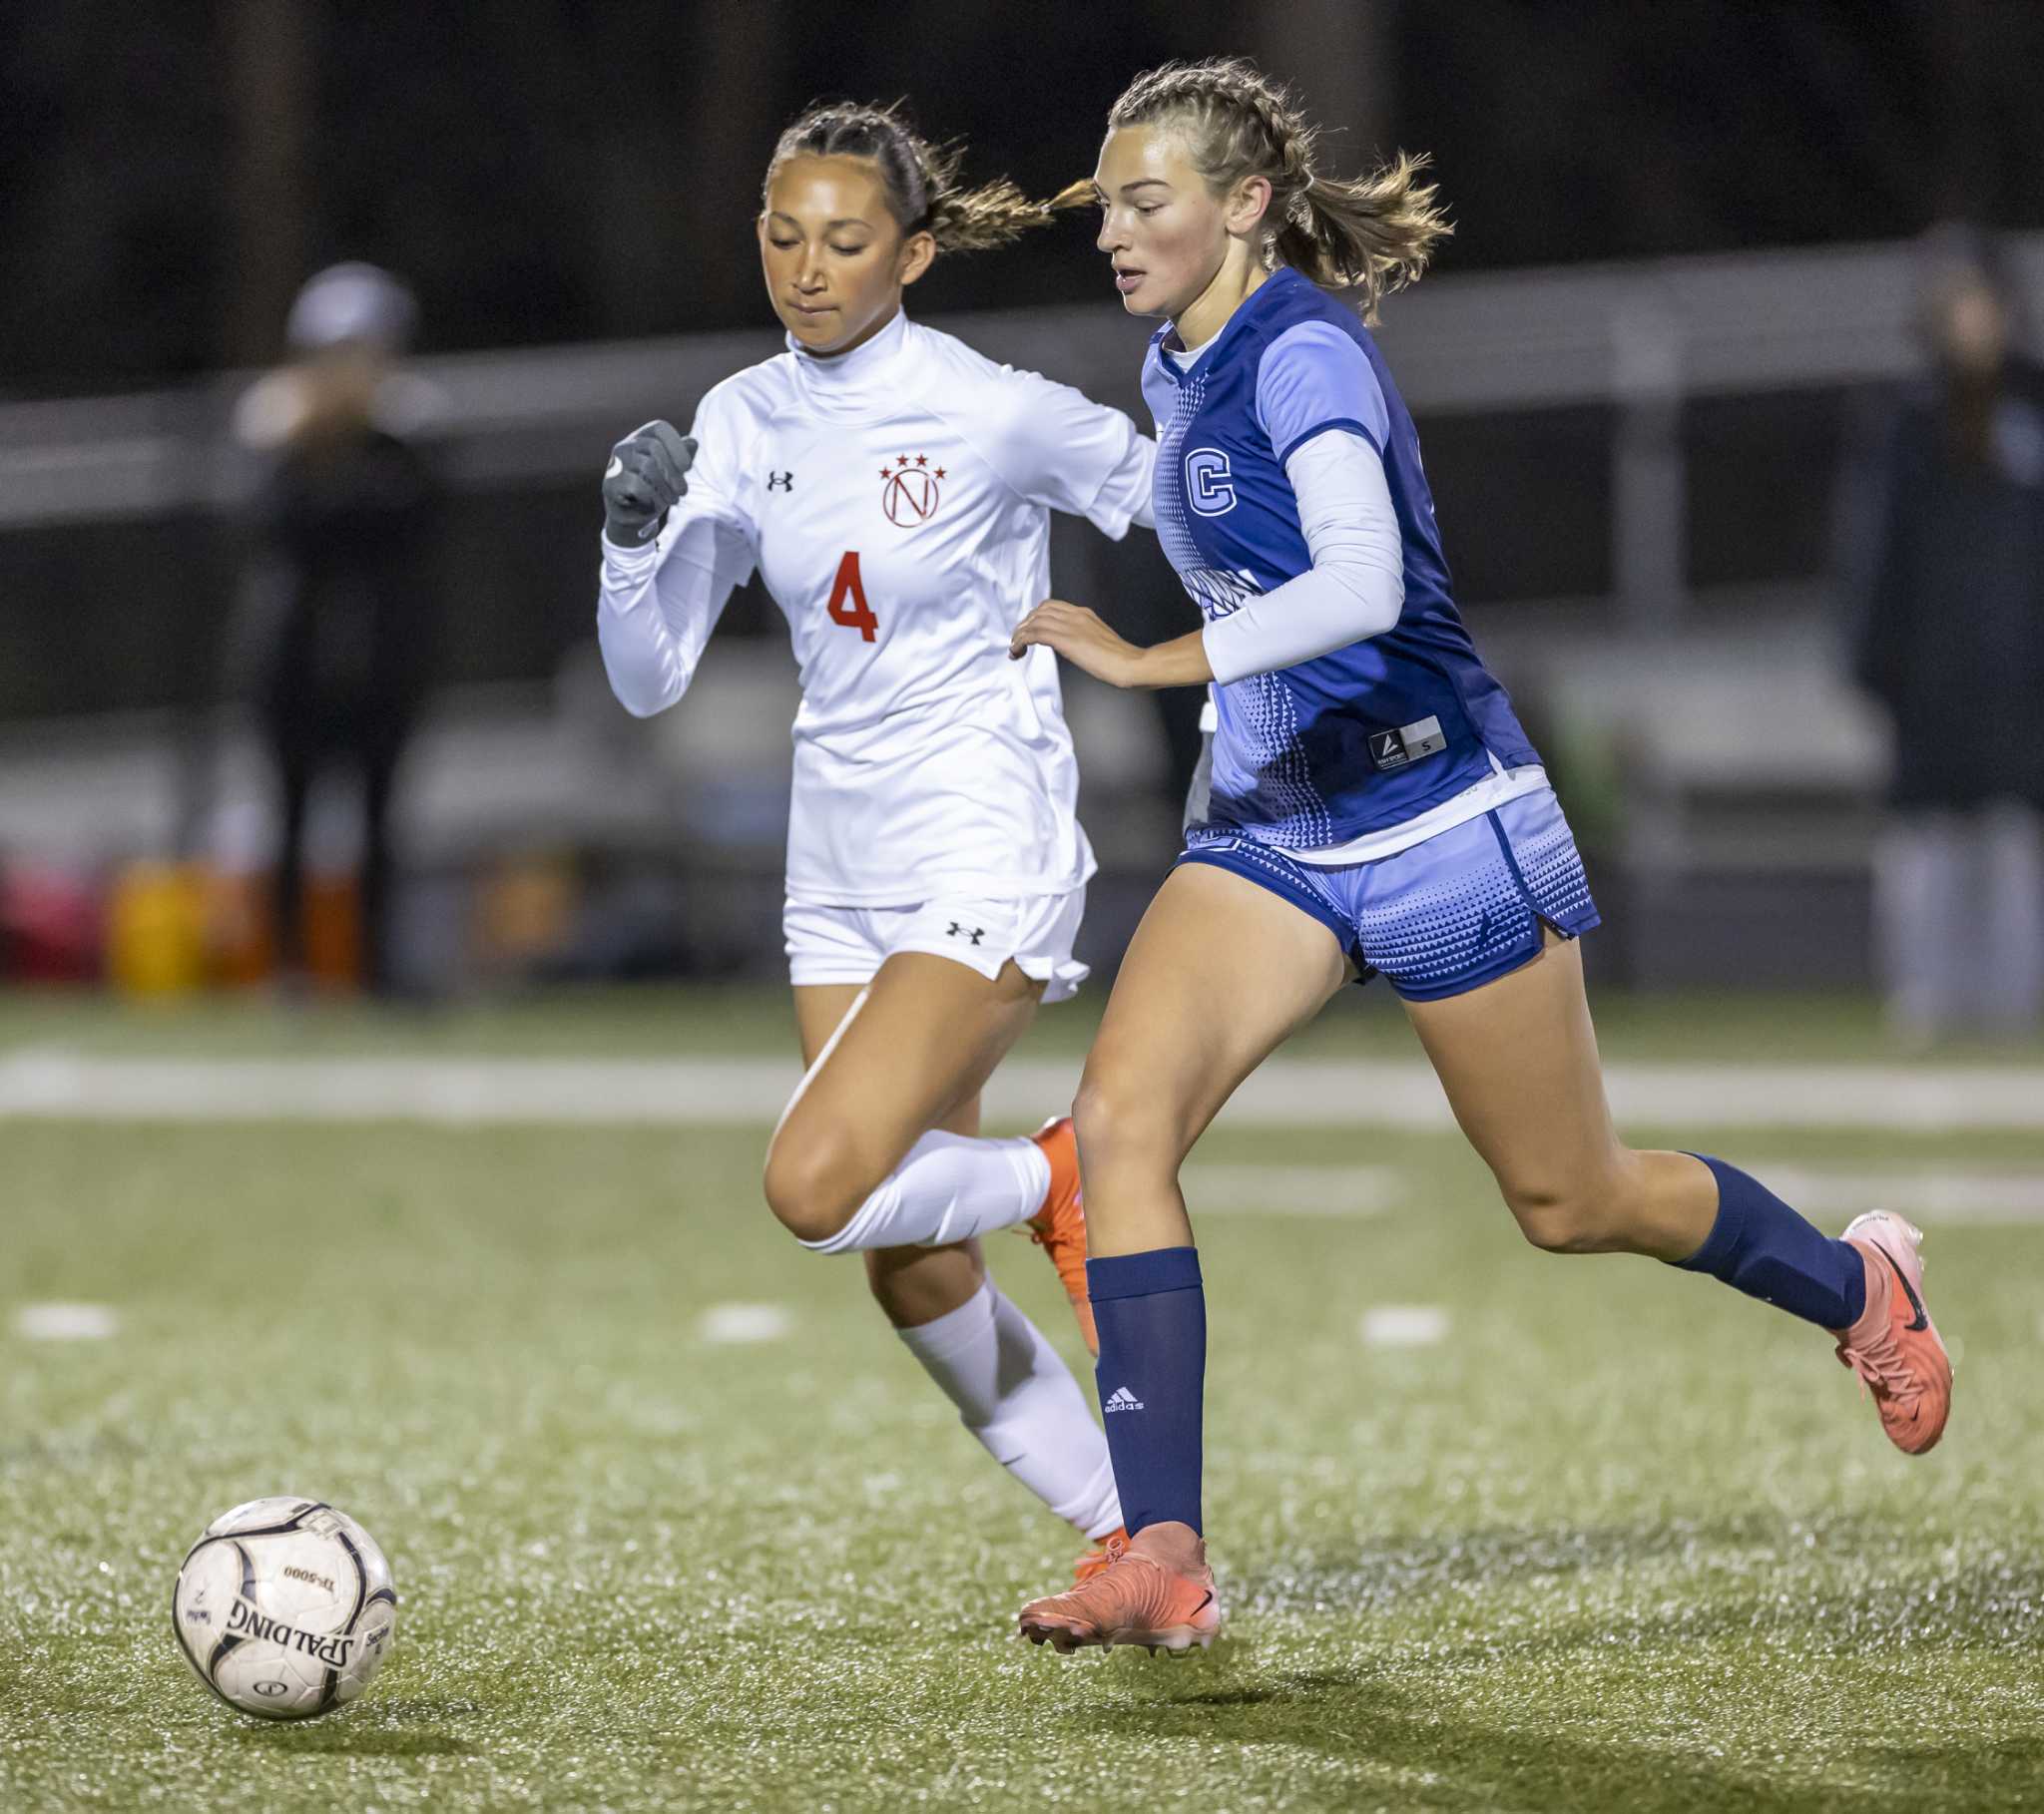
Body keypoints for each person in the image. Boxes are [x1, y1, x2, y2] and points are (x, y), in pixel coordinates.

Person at [1009, 59, 1954, 1655]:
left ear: (1244, 208)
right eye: (1105, 201)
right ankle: (1160, 1545)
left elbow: (1366, 585)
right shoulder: (1174, 355)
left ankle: (1861, 1287)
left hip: (1441, 818)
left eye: (1146, 200)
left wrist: (1153, 661)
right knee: (1118, 1127)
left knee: (1572, 1198)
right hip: (1276, 833)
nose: (1115, 227)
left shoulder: (1301, 348)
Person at [594, 103, 1158, 1584]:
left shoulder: (989, 404)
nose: (808, 268)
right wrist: (628, 544)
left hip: (982, 835)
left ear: (912, 250)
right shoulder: (739, 417)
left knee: (815, 1186)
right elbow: (650, 674)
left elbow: (1174, 494)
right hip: (832, 865)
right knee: (906, 1253)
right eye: (783, 236)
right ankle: (1140, 1540)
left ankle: (1058, 1174)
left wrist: (1195, 654)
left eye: (846, 241)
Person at [1840, 224, 2044, 1046]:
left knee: (2012, 842)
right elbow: (1877, 559)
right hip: (1930, 682)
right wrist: (1874, 662)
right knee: (1926, 845)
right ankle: (1927, 1001)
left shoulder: (2033, 415)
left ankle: (2013, 1007)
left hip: (2019, 680)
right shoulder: (1908, 427)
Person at [226, 262, 442, 997]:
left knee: (382, 821)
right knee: (287, 815)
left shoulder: (409, 440)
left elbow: (407, 525)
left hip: (382, 659)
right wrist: (308, 448)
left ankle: (378, 970)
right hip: (294, 661)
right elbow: (281, 531)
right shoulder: (276, 440)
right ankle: (288, 970)